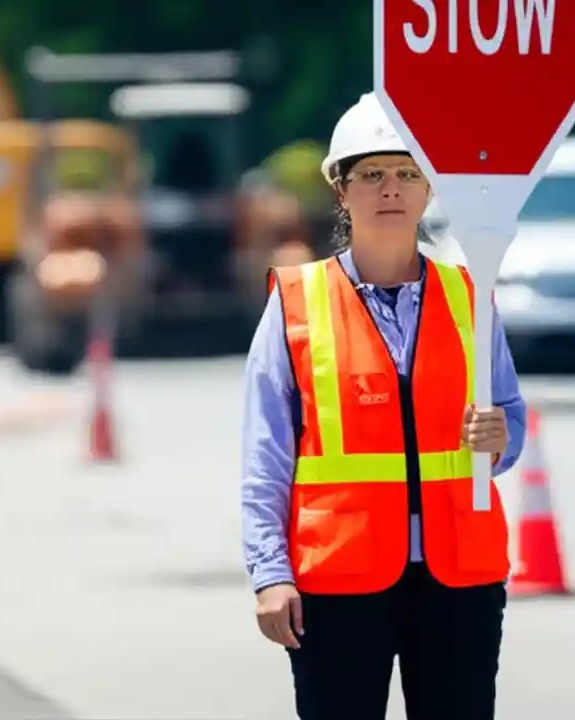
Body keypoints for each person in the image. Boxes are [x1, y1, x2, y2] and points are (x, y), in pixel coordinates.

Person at [239, 92, 528, 720]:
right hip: (338, 579)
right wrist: (269, 573)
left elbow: (511, 418)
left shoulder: (469, 296)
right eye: (371, 174)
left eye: (407, 174)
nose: (390, 189)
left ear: (429, 191)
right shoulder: (297, 300)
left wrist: (499, 439)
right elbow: (265, 455)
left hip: (460, 579)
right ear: (342, 191)